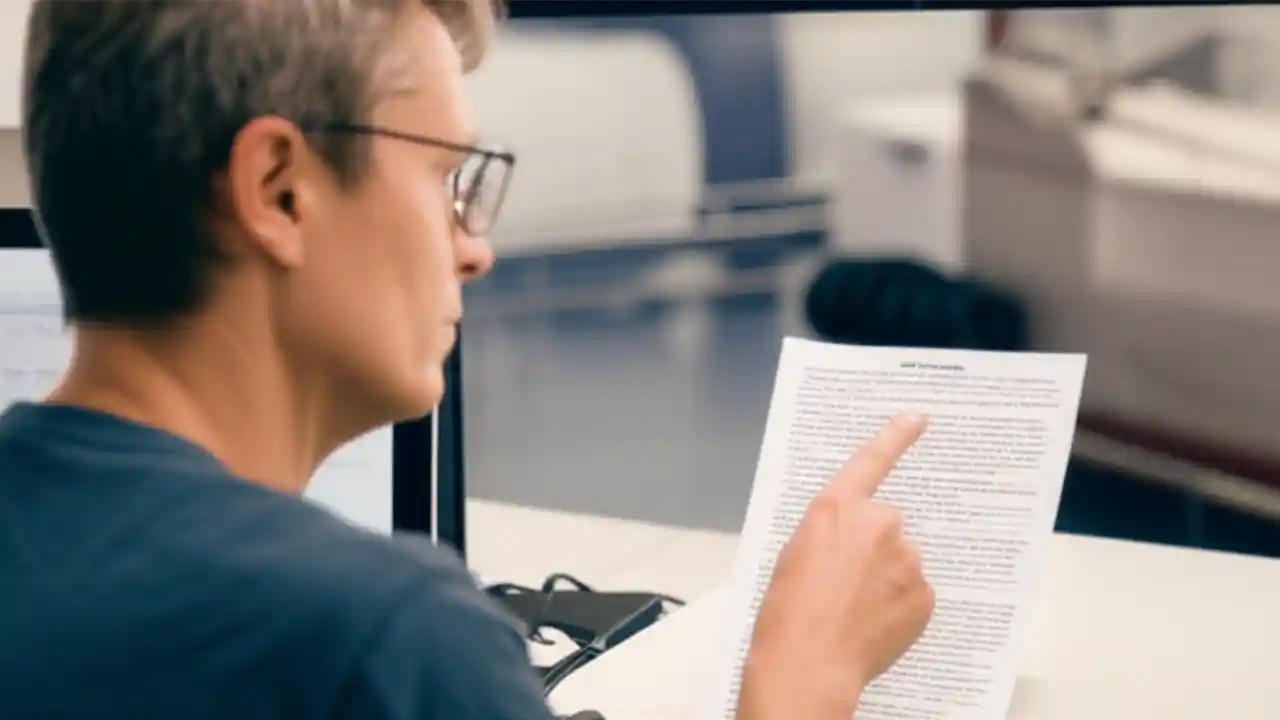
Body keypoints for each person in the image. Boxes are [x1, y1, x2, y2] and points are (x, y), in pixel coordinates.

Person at [0, 1, 934, 718]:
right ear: (279, 191)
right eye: (445, 176)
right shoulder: (381, 640)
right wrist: (802, 679)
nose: (474, 247)